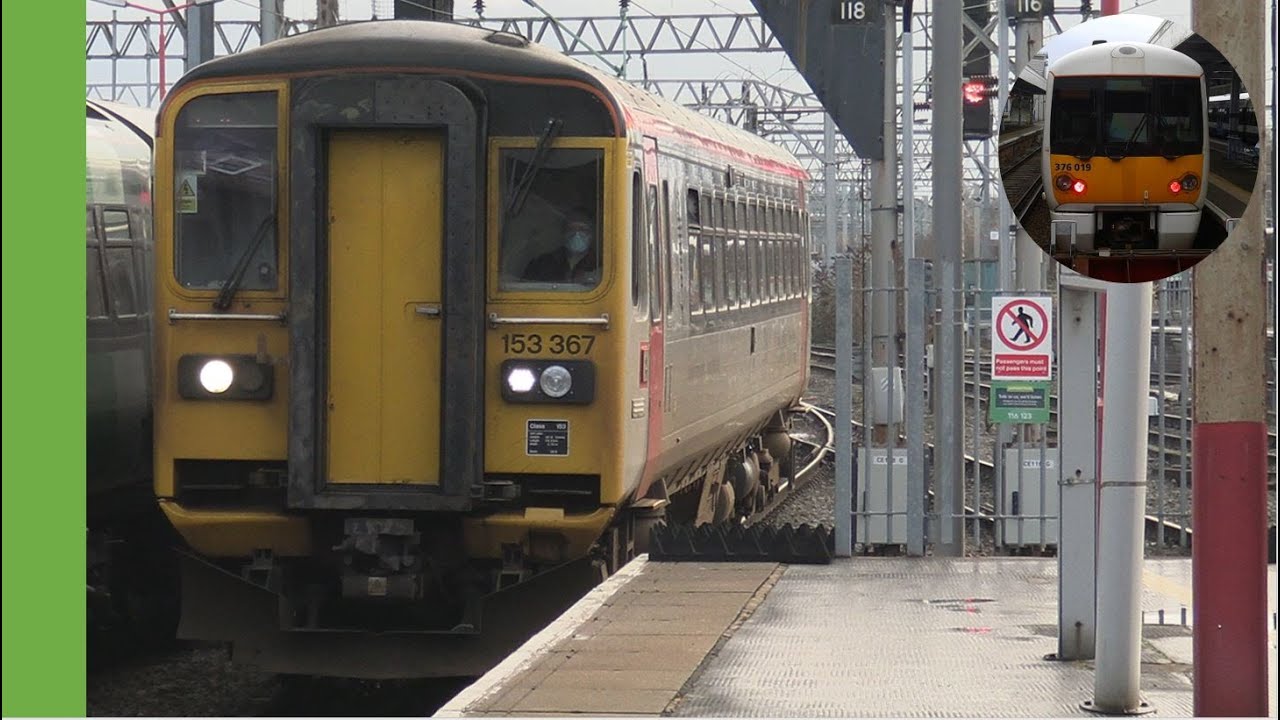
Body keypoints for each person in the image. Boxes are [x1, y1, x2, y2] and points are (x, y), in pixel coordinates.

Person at [521, 210, 599, 284]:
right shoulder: (542, 263)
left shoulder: (600, 266)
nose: (577, 234)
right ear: (564, 233)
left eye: (583, 229)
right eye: (571, 229)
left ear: (592, 234)